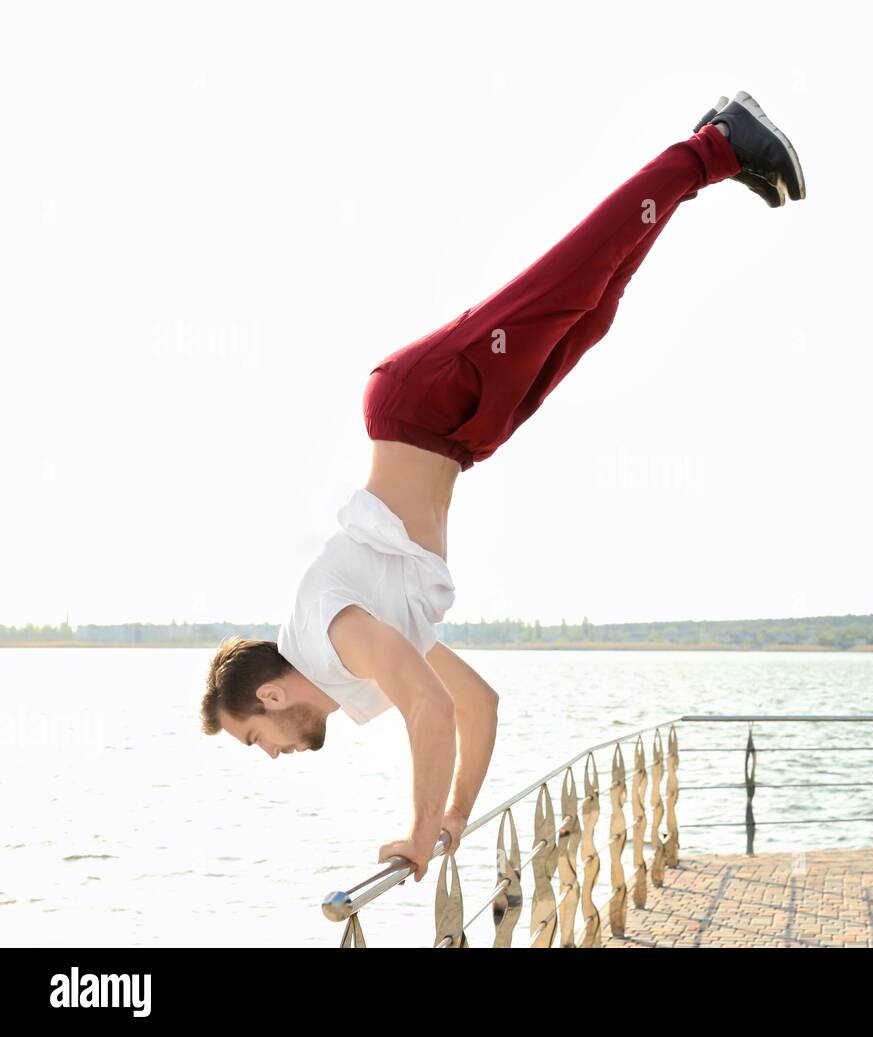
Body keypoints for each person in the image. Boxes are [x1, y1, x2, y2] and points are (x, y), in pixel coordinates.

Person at [199, 92, 806, 881]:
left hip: (421, 404)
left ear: (271, 698)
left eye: (254, 739)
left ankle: (719, 143)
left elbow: (433, 708)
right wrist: (453, 815)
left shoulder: (329, 635)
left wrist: (417, 833)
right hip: (458, 433)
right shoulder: (354, 664)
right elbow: (475, 704)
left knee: (574, 273)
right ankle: (705, 161)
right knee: (592, 307)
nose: (270, 755)